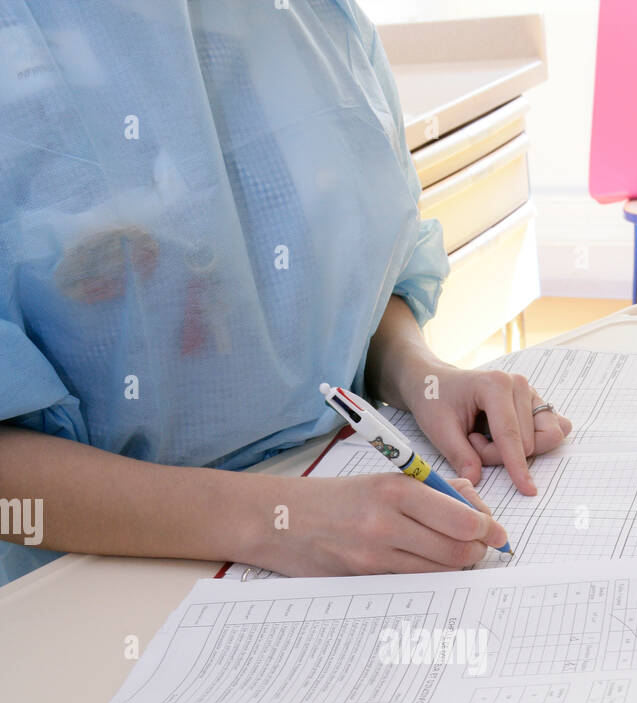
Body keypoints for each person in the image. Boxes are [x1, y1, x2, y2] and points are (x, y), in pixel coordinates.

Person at [0, 0, 571, 586]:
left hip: (336, 496)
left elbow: (350, 281)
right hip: (80, 583)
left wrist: (421, 376)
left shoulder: (315, 20)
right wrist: (276, 521)